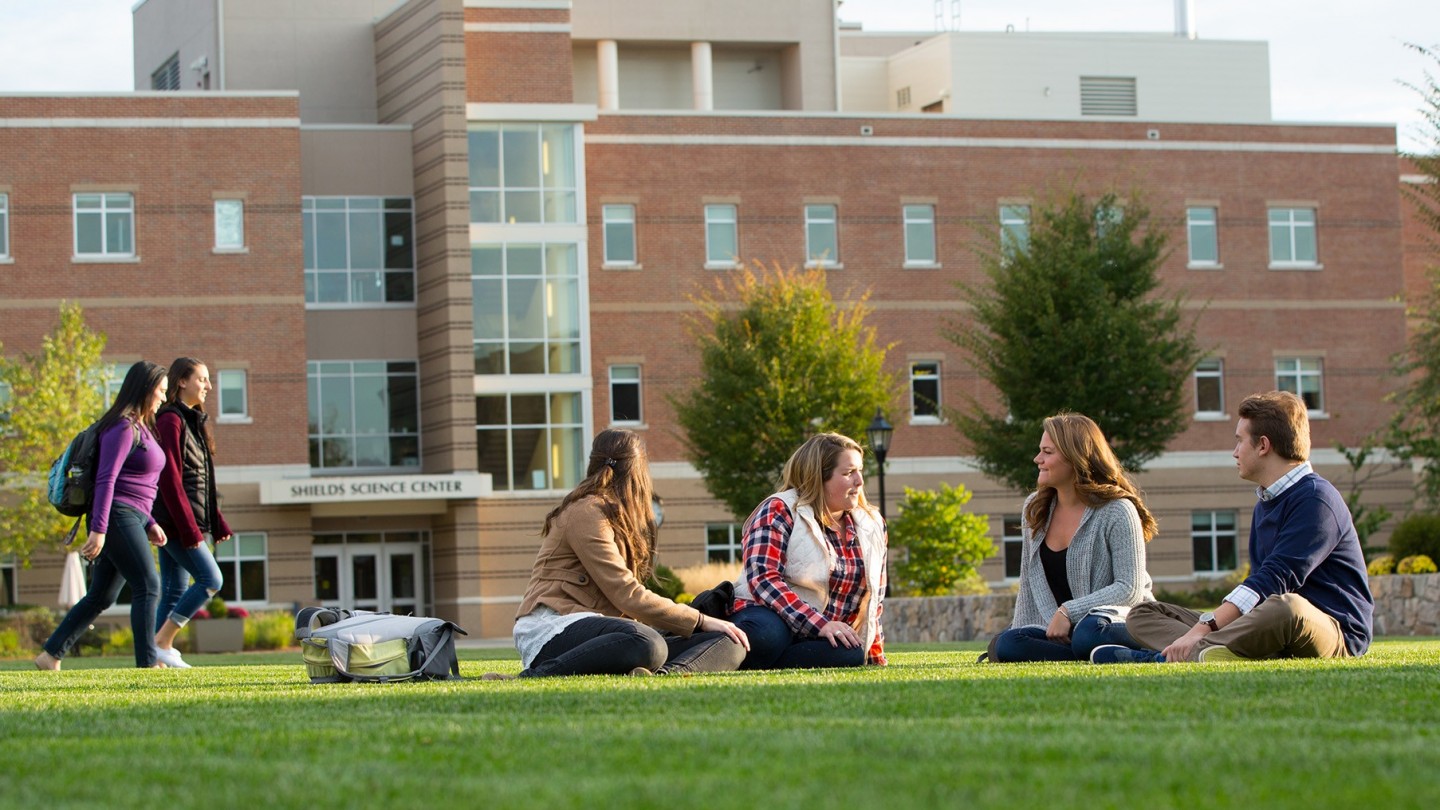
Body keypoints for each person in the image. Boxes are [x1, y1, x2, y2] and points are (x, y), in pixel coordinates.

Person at [1091, 391, 1374, 664]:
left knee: (1288, 607)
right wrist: (1205, 626)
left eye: (1240, 441)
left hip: (1334, 632)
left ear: (1263, 446)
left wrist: (1204, 628)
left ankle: (1174, 655)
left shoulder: (1316, 499)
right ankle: (1213, 652)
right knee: (1144, 613)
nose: (1234, 452)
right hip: (1267, 623)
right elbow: (1259, 586)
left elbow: (1275, 578)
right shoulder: (1266, 501)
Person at [507, 428, 749, 677]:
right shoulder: (586, 512)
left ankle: (664, 676)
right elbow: (626, 594)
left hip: (612, 632)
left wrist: (705, 625)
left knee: (730, 640)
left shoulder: (617, 516)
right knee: (647, 643)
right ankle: (536, 674)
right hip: (554, 627)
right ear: (637, 472)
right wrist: (698, 619)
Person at [988, 413, 1157, 662]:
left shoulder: (1117, 510)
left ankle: (1135, 650)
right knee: (1008, 643)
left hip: (1117, 621)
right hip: (1065, 633)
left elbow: (1129, 589)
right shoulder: (1034, 509)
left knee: (1089, 632)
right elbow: (1028, 585)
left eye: (1047, 452)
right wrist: (1020, 632)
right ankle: (1097, 655)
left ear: (1074, 457)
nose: (1038, 459)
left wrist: (1069, 611)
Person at [36, 361, 171, 670]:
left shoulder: (140, 427)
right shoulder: (121, 427)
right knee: (149, 583)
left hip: (132, 516)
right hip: (116, 516)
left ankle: (50, 654)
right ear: (145, 389)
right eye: (161, 391)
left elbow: (137, 483)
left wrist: (149, 522)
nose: (163, 398)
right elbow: (106, 480)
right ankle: (148, 663)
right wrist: (98, 529)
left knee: (102, 596)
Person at [729, 432, 888, 669]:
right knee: (769, 636)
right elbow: (764, 579)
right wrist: (820, 624)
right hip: (766, 617)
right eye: (848, 473)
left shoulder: (872, 523)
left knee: (851, 653)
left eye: (860, 470)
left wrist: (876, 657)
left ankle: (762, 663)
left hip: (817, 634)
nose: (859, 481)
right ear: (818, 478)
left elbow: (873, 601)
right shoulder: (779, 509)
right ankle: (714, 648)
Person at [150, 358, 233, 669]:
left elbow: (203, 479)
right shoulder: (170, 420)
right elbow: (170, 478)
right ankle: (161, 642)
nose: (208, 386)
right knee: (211, 579)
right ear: (181, 382)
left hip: (186, 521)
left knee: (173, 589)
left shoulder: (193, 421)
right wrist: (188, 529)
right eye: (202, 379)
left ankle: (153, 660)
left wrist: (217, 521)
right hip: (174, 522)